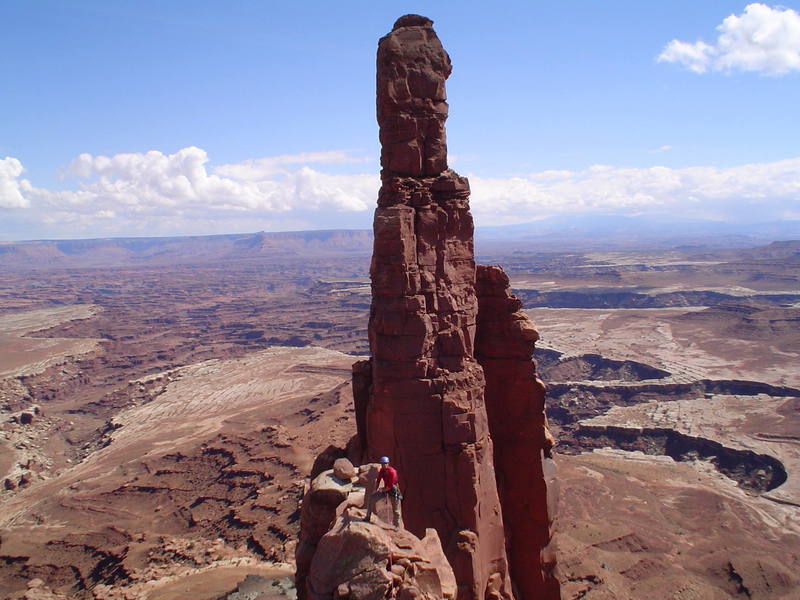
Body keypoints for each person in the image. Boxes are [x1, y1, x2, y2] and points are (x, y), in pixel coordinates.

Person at [365, 456, 402, 528]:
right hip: (386, 489)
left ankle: (397, 526)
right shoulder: (382, 470)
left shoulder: (392, 472)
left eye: (385, 463)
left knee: (396, 510)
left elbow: (390, 486)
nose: (383, 465)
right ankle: (368, 517)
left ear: (388, 463)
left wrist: (382, 490)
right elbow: (378, 480)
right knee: (371, 499)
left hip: (394, 491)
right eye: (382, 464)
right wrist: (375, 490)